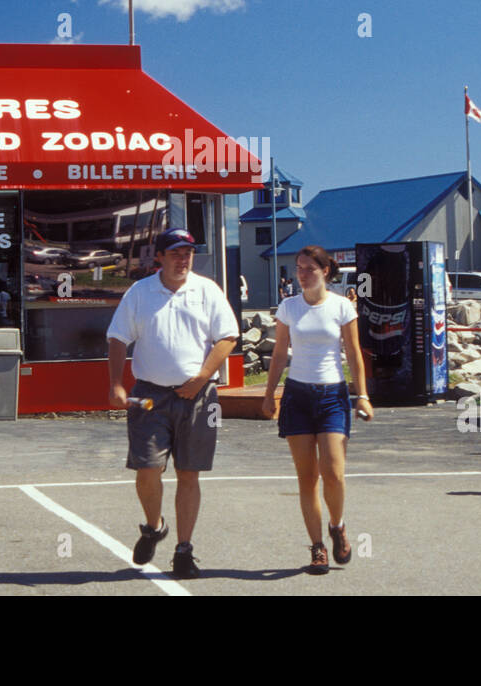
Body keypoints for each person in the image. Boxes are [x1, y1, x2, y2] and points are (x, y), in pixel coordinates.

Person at [106, 227, 239, 579]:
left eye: (188, 252)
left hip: (199, 396)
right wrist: (116, 384)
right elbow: (118, 337)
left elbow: (228, 336)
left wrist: (202, 377)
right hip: (149, 395)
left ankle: (184, 550)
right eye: (176, 253)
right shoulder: (140, 292)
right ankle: (154, 526)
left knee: (189, 473)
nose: (183, 259)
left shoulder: (207, 290)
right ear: (160, 257)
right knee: (147, 469)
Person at [262, 246, 373, 574]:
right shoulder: (288, 307)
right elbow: (280, 353)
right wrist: (269, 394)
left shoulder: (341, 306)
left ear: (325, 271)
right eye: (299, 268)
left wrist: (362, 395)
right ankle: (317, 547)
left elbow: (353, 353)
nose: (302, 274)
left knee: (334, 473)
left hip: (332, 397)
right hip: (297, 396)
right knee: (307, 478)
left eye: (309, 268)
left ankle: (337, 526)